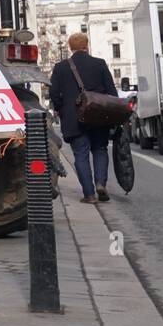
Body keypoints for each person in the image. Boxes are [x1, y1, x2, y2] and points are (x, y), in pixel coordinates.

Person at [49, 31, 118, 204]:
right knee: (100, 150)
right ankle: (101, 183)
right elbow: (112, 93)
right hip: (99, 117)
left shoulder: (61, 67)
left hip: (74, 119)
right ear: (87, 46)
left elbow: (54, 94)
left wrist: (62, 110)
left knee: (81, 155)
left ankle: (89, 195)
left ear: (70, 48)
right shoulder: (99, 64)